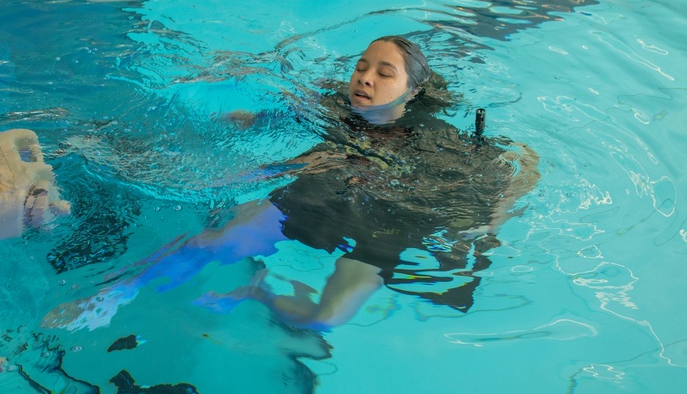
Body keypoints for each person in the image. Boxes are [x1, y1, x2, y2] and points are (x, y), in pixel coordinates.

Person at [43, 35, 539, 332]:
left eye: (383, 74)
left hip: (388, 227)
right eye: (361, 66)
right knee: (218, 242)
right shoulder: (335, 108)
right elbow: (287, 109)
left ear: (412, 91)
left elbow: (521, 166)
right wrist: (252, 119)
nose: (364, 78)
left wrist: (486, 228)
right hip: (314, 196)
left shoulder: (438, 137)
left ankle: (258, 293)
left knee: (325, 319)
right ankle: (112, 294)